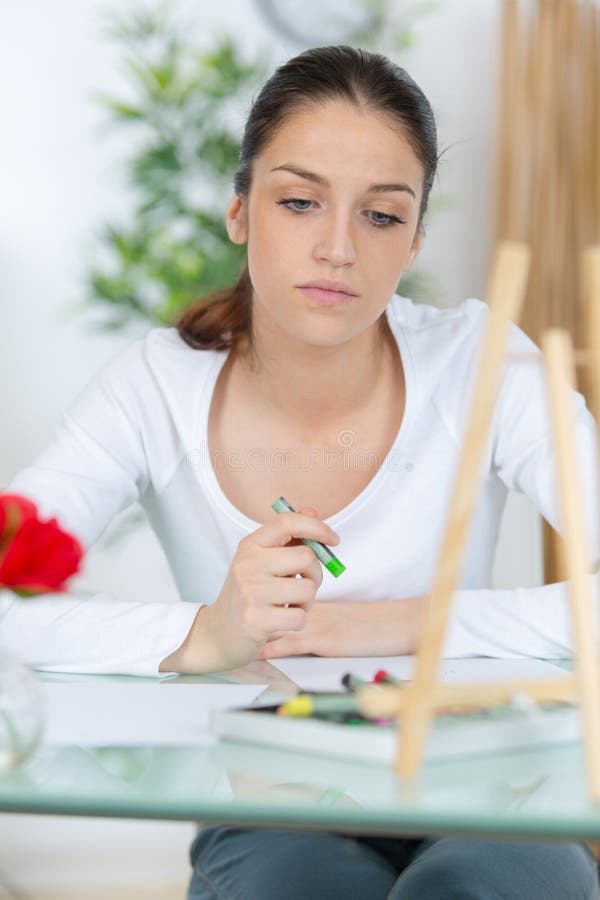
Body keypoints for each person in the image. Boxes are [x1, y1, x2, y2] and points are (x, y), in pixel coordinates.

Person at [3, 44, 599, 899]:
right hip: (266, 796)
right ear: (240, 210)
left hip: (484, 779)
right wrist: (203, 637)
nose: (338, 249)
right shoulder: (153, 386)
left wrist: (400, 625)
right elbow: (7, 586)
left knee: (490, 880)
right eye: (298, 202)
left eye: (381, 216)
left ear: (417, 238)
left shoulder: (484, 360)